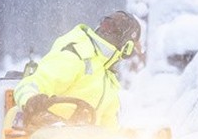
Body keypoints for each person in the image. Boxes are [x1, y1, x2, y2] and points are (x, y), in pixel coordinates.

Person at [11, 10, 143, 131]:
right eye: (107, 25)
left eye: (110, 27)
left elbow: (109, 127)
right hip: (46, 137)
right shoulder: (76, 56)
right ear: (127, 48)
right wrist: (31, 100)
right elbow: (30, 84)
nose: (106, 30)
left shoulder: (109, 81)